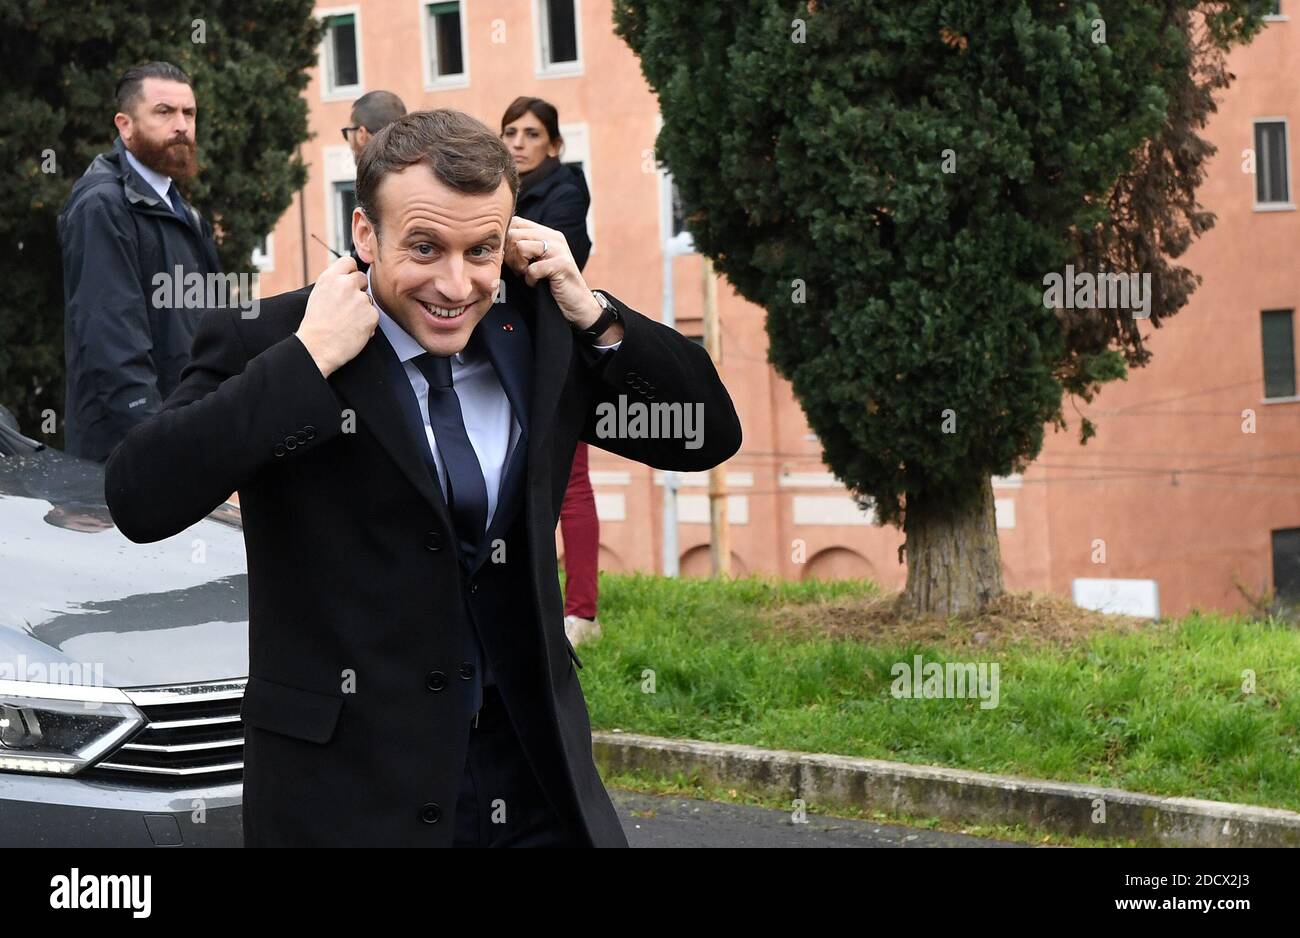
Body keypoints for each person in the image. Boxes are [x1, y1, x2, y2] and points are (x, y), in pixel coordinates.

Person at [104, 108, 742, 847]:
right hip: (350, 793)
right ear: (365, 234)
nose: (456, 282)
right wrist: (307, 362)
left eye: (482, 249)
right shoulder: (275, 337)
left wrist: (596, 315)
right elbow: (140, 496)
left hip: (533, 781)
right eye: (425, 247)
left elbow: (703, 435)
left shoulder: (538, 333)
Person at [58, 61, 221, 463]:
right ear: (125, 125)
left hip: (185, 439)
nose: (181, 125)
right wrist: (157, 444)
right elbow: (111, 344)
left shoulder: (184, 213)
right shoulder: (103, 206)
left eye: (189, 113)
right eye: (164, 112)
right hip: (131, 460)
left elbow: (214, 330)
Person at [502, 96, 600, 647]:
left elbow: (547, 263)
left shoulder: (564, 193)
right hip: (506, 350)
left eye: (532, 133)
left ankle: (582, 612)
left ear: (554, 145)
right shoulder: (498, 191)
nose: (518, 142)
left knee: (572, 484)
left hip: (554, 351)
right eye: (511, 131)